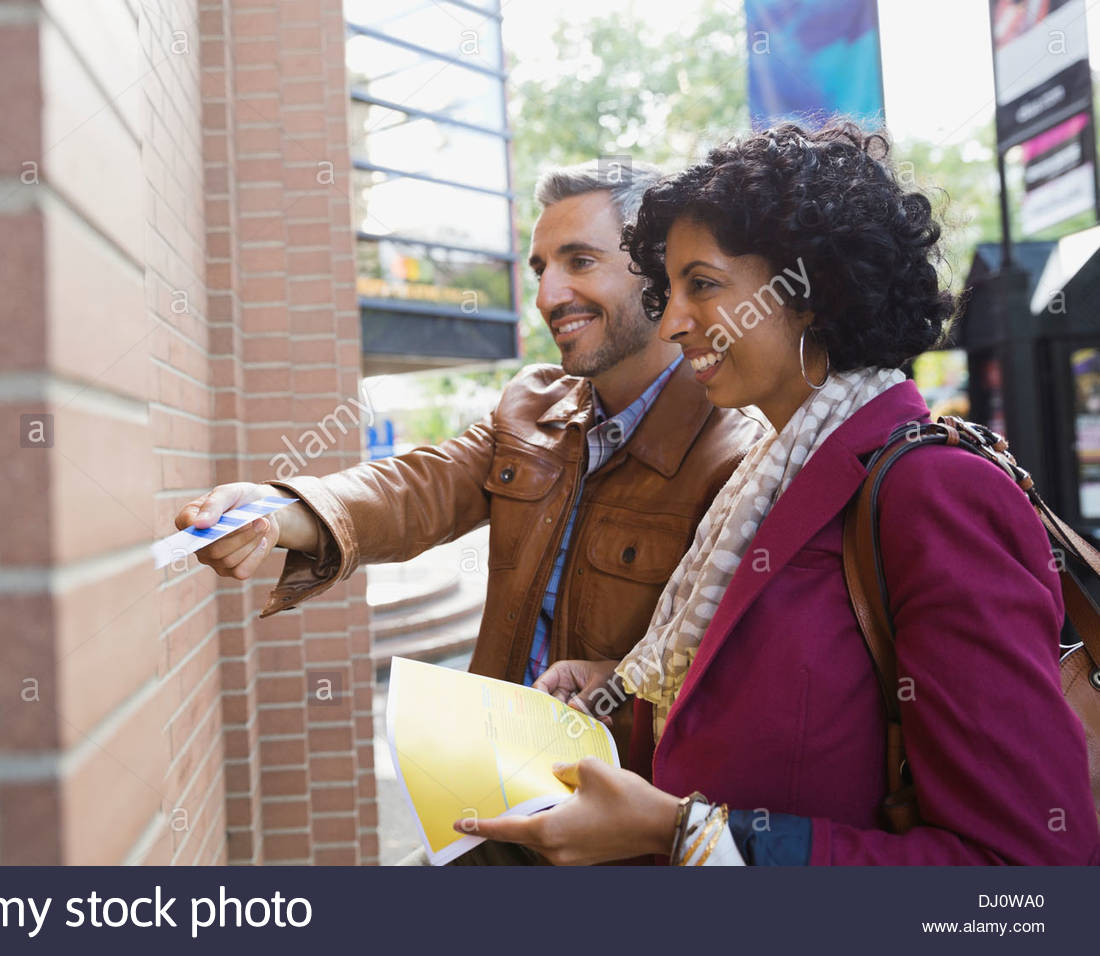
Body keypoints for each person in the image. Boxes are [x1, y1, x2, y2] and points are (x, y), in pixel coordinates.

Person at [466, 122, 1100, 866]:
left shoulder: (934, 492)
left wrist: (685, 836)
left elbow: (1025, 876)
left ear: (813, 291)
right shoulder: (770, 474)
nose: (672, 324)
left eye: (701, 285)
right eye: (667, 290)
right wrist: (614, 689)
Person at [174, 160, 761, 731]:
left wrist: (625, 682)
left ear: (658, 273)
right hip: (489, 789)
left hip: (611, 815)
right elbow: (414, 490)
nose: (548, 296)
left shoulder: (737, 459)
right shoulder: (533, 405)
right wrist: (274, 512)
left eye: (580, 261)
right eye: (540, 269)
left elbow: (739, 681)